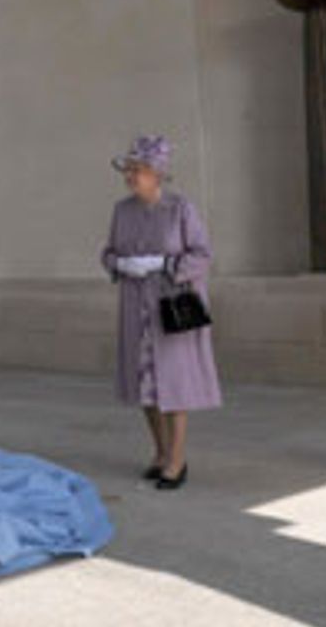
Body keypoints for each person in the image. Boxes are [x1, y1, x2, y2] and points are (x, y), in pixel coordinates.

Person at [101, 135, 221, 490]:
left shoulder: (181, 209)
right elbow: (106, 254)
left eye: (136, 170)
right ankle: (160, 452)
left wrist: (165, 263)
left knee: (174, 386)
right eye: (128, 170)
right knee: (145, 386)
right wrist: (122, 263)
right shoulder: (121, 211)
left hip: (172, 308)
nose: (129, 176)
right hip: (135, 307)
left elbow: (202, 256)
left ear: (156, 174)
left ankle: (177, 460)